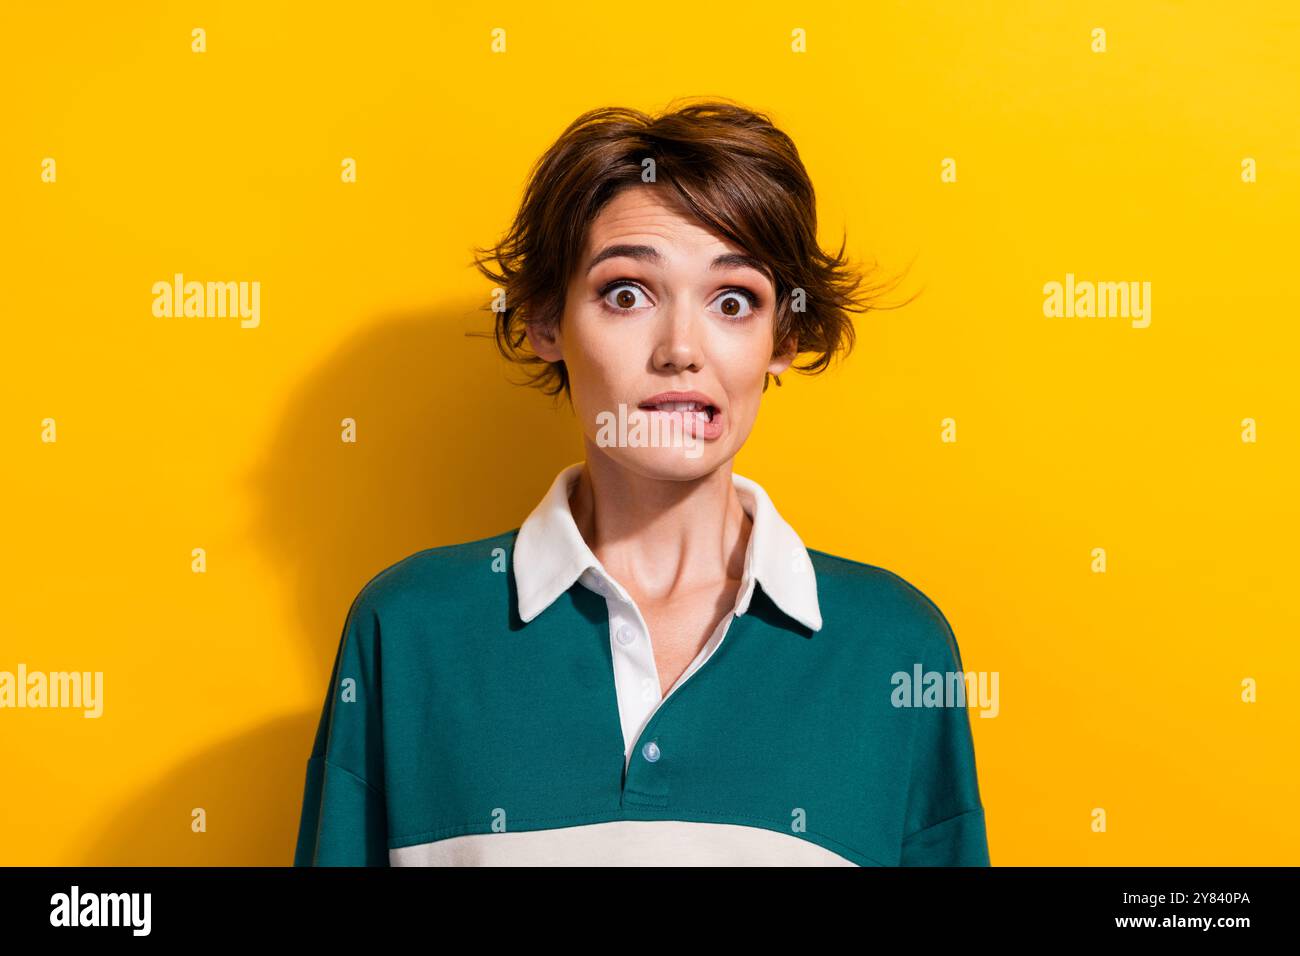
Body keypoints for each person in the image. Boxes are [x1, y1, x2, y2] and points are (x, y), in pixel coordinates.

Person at [294, 99, 990, 866]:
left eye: (734, 301)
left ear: (782, 338)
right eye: (627, 293)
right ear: (545, 322)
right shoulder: (408, 631)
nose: (682, 350)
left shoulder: (894, 649)